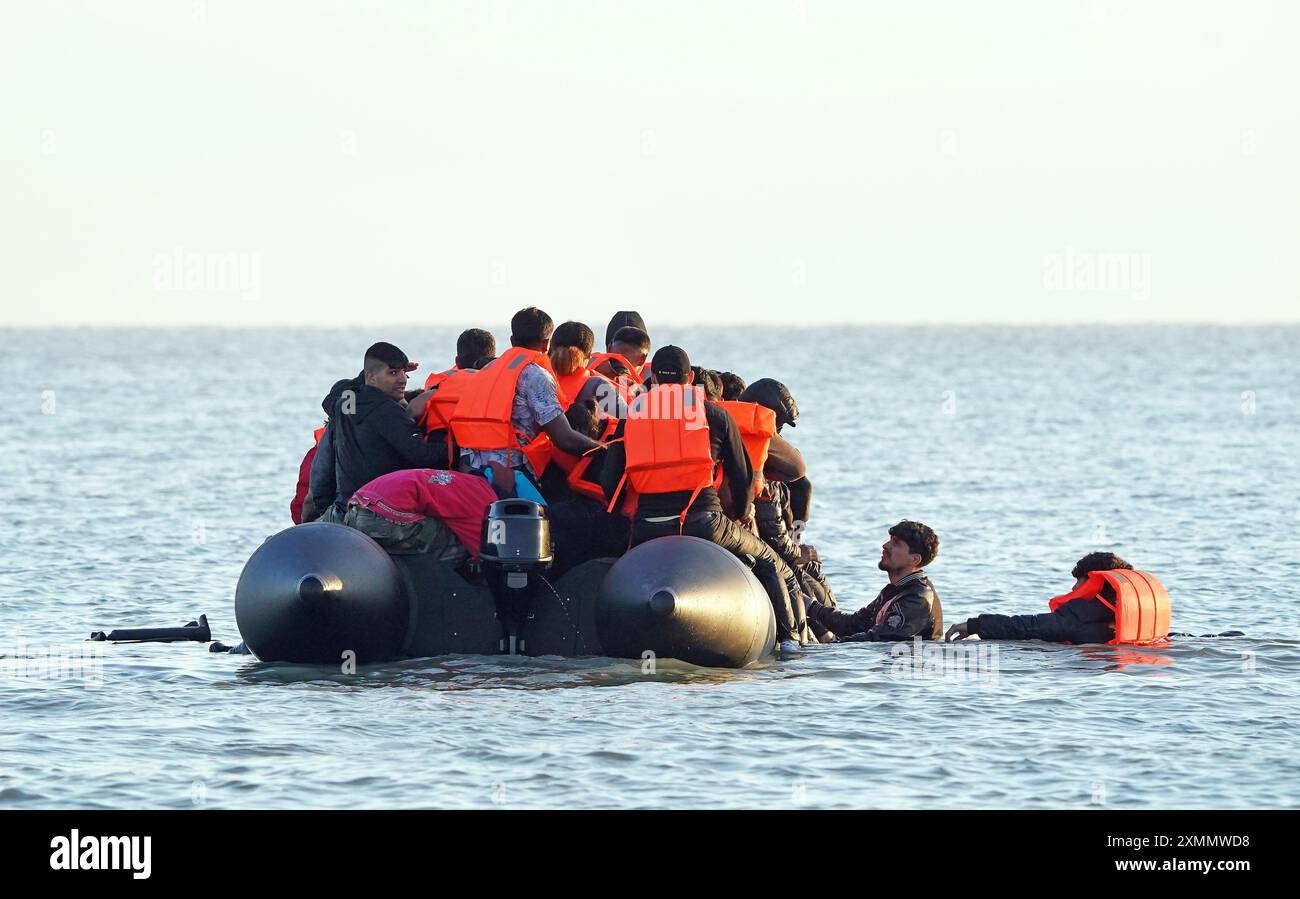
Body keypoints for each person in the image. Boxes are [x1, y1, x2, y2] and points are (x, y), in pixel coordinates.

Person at [601, 345, 807, 654]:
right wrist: (739, 514)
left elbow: (609, 479)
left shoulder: (632, 415)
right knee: (771, 562)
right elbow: (743, 476)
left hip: (648, 528)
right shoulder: (714, 414)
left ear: (654, 377)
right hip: (704, 523)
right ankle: (791, 642)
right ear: (689, 379)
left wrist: (626, 515)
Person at [451, 307, 600, 502]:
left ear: (512, 340)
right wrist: (604, 450)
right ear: (546, 344)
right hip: (509, 476)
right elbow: (565, 438)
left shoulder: (487, 369)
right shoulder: (535, 375)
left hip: (471, 471)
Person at [312, 343, 451, 521]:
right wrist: (457, 446)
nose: (403, 379)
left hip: (343, 512)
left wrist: (371, 372)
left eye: (403, 372)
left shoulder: (348, 403)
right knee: (453, 538)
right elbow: (423, 456)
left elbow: (331, 398)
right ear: (371, 377)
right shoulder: (388, 412)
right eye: (393, 373)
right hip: (378, 516)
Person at [945, 552, 1136, 644]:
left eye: (1080, 581)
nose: (1074, 587)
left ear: (1098, 581)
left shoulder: (1084, 615)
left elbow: (1028, 626)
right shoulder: (1133, 612)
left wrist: (975, 625)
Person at [804, 521, 943, 641]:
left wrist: (832, 647)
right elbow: (853, 625)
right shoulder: (895, 590)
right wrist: (810, 606)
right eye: (890, 540)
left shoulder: (918, 597)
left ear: (915, 559)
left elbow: (881, 640)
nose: (885, 545)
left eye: (896, 543)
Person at [343, 467, 503, 563]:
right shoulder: (485, 499)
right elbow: (482, 549)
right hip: (383, 516)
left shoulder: (464, 481)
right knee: (457, 548)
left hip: (355, 507)